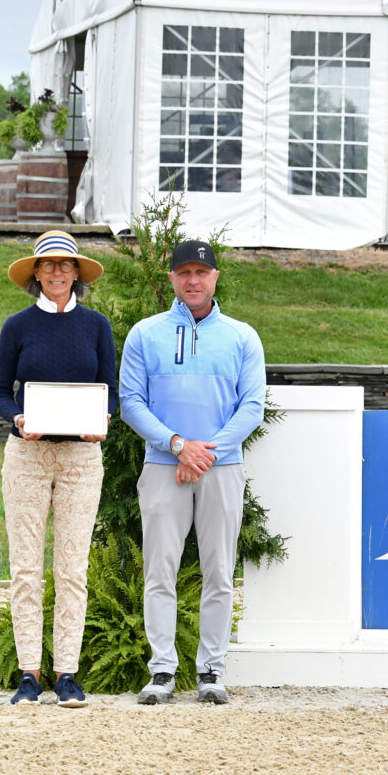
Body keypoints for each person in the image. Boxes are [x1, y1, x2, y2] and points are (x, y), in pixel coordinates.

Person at [121, 240, 266, 705]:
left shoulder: (243, 337)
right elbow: (131, 403)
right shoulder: (145, 333)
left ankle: (211, 671)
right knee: (159, 570)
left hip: (221, 469)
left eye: (201, 272)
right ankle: (162, 670)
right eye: (184, 272)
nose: (193, 280)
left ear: (215, 277)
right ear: (172, 279)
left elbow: (253, 407)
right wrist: (178, 446)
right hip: (165, 465)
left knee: (219, 571)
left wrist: (204, 453)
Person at [0, 231, 116, 708]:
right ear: (35, 274)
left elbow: (111, 389)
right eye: (49, 265)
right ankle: (28, 673)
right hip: (27, 456)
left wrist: (101, 419)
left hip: (82, 458)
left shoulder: (96, 326)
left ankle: (67, 673)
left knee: (72, 567)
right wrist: (18, 418)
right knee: (25, 566)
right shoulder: (16, 327)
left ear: (77, 274)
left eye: (67, 265)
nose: (58, 272)